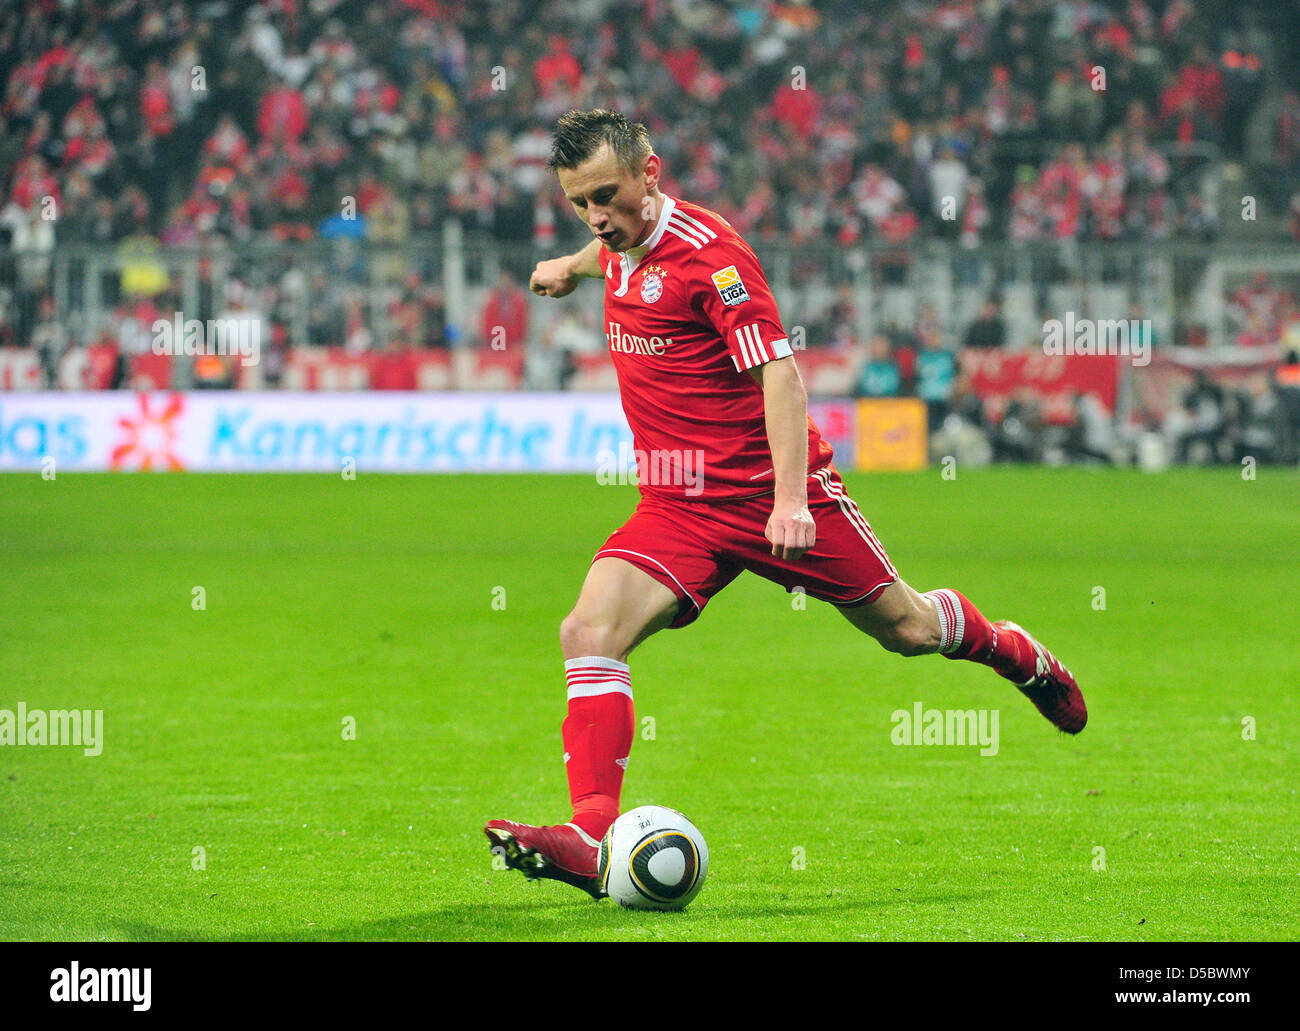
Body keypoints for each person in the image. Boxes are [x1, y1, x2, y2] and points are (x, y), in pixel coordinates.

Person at [484, 110, 1086, 899]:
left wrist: (794, 500)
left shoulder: (713, 258)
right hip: (676, 502)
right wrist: (570, 263)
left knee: (904, 629)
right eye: (578, 204)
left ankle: (1015, 652)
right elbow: (613, 255)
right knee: (587, 629)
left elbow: (781, 375)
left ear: (651, 173)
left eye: (607, 195)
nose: (598, 216)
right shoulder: (618, 244)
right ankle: (591, 835)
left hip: (772, 493)